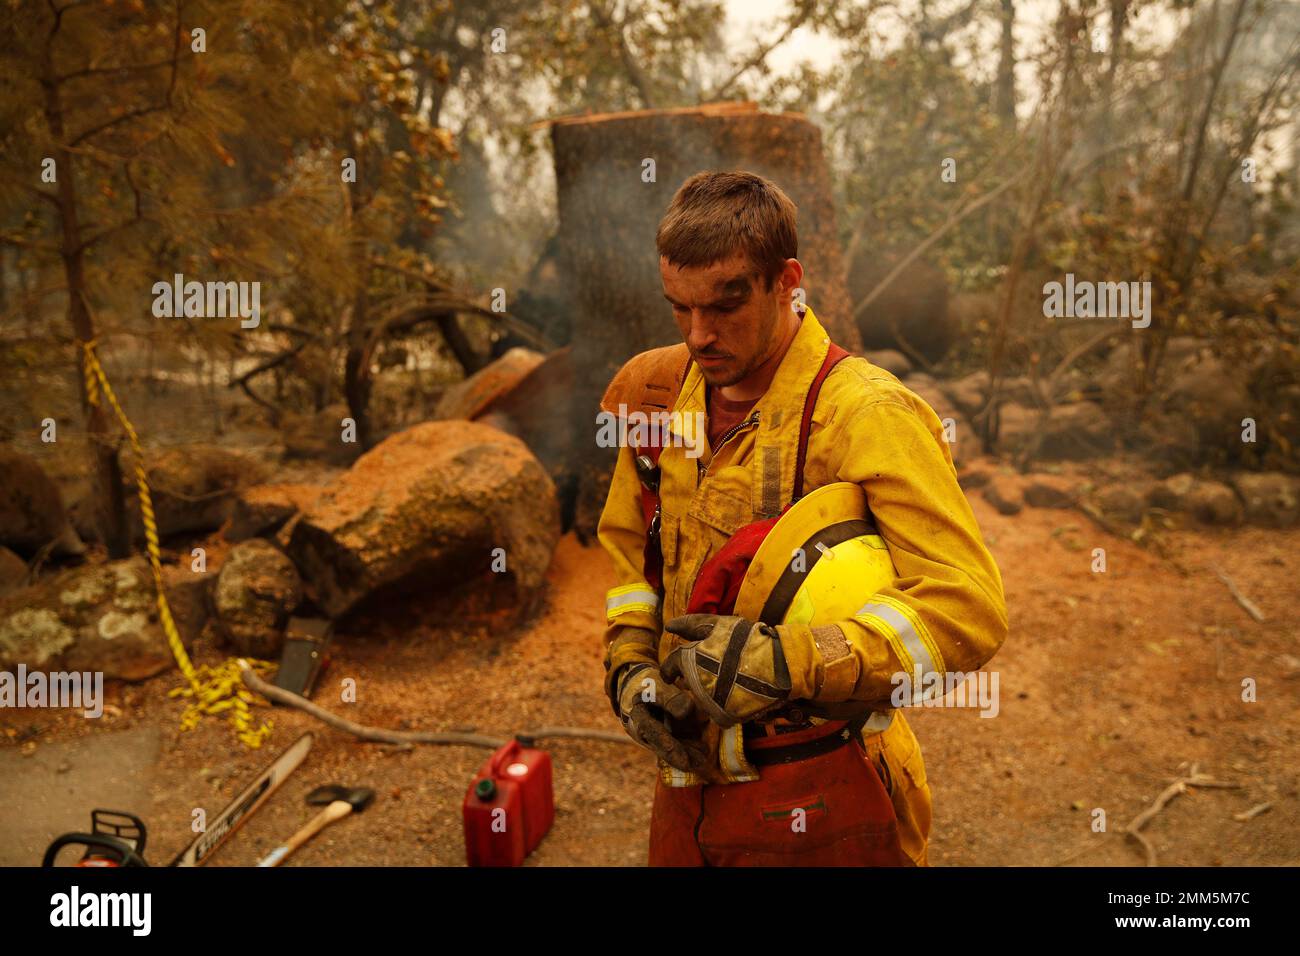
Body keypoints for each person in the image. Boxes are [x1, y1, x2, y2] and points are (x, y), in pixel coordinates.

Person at [598, 170, 1008, 866]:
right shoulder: (652, 393)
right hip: (686, 789)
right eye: (679, 307)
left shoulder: (866, 414)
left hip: (830, 789)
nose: (699, 335)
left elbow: (968, 607)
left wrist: (791, 662)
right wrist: (631, 671)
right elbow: (630, 557)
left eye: (726, 305)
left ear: (787, 280)